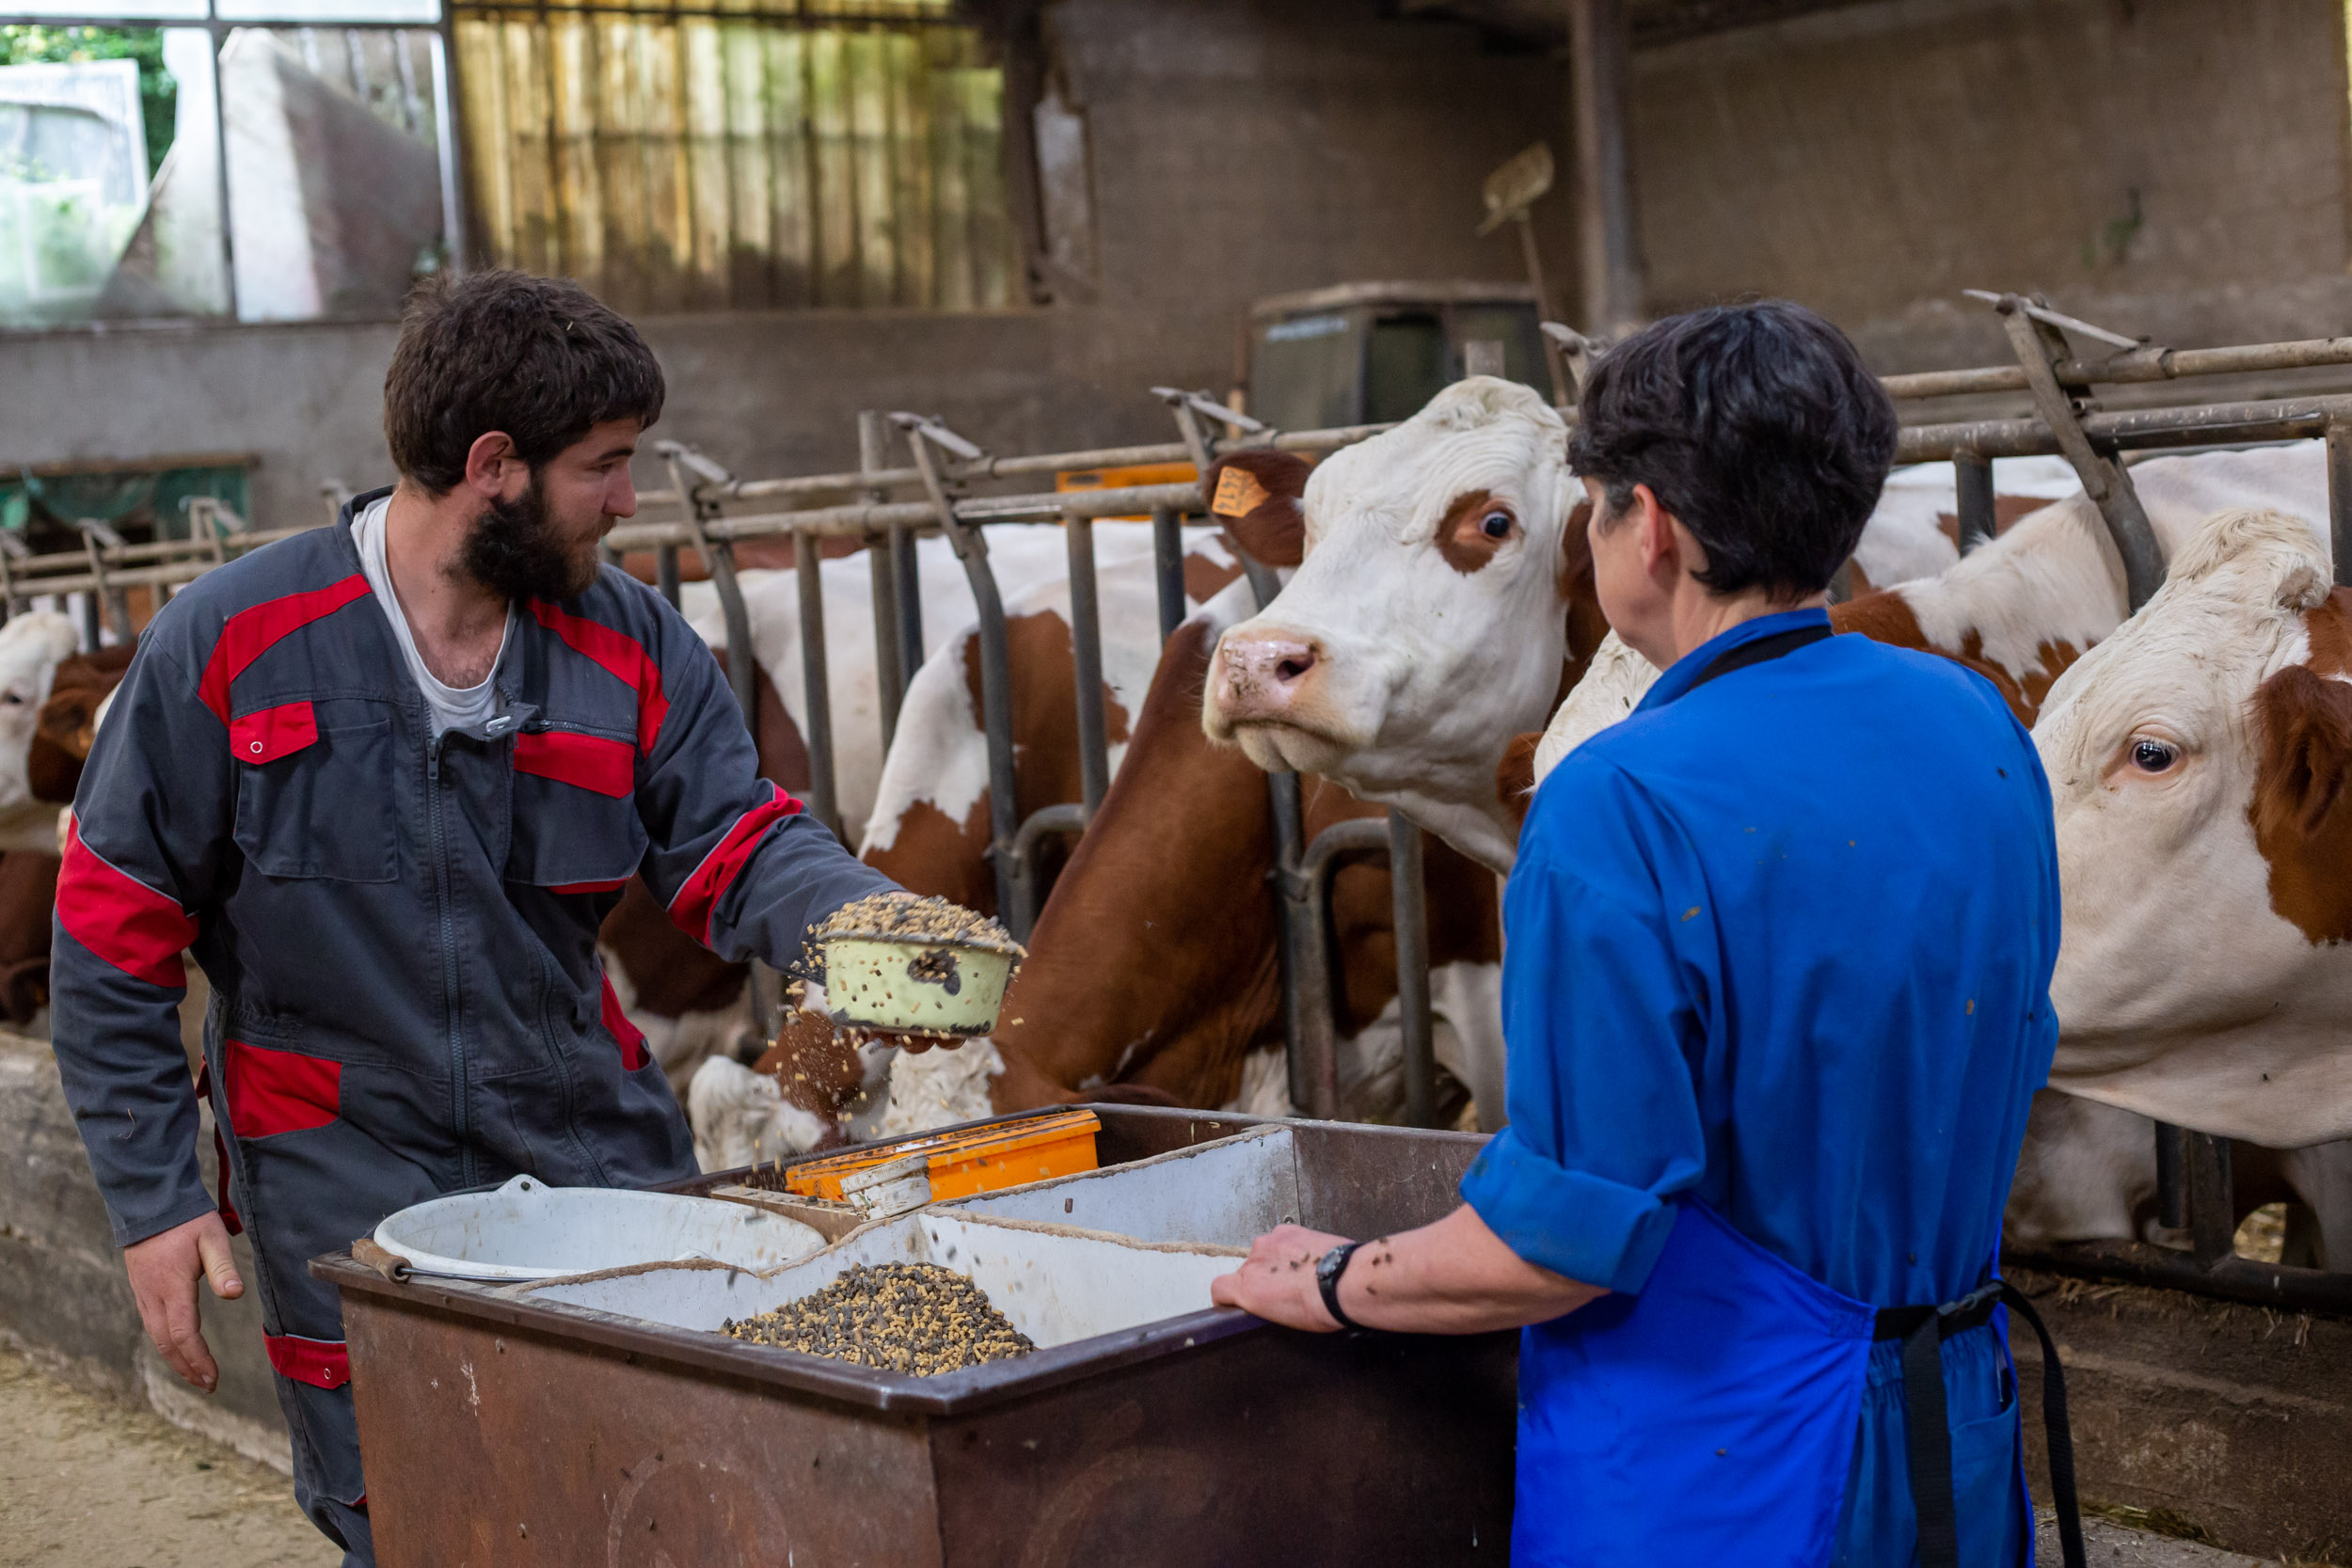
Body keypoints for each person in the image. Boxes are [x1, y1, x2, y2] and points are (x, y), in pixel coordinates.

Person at [48, 270, 905, 1565]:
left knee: (657, 1494)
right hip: (336, 1162)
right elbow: (110, 940)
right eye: (605, 467)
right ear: (493, 466)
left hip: (583, 1139)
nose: (629, 500)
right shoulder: (229, 644)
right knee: (409, 1509)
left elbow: (739, 836)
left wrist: (871, 928)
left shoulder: (633, 649)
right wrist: (158, 1201)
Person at [1213, 301, 2075, 1567]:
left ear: (1648, 529)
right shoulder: (1978, 727)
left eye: (1596, 507)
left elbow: (1557, 1245)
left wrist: (1335, 1281)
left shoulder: (1618, 803)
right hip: (1949, 1438)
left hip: (1718, 1480)